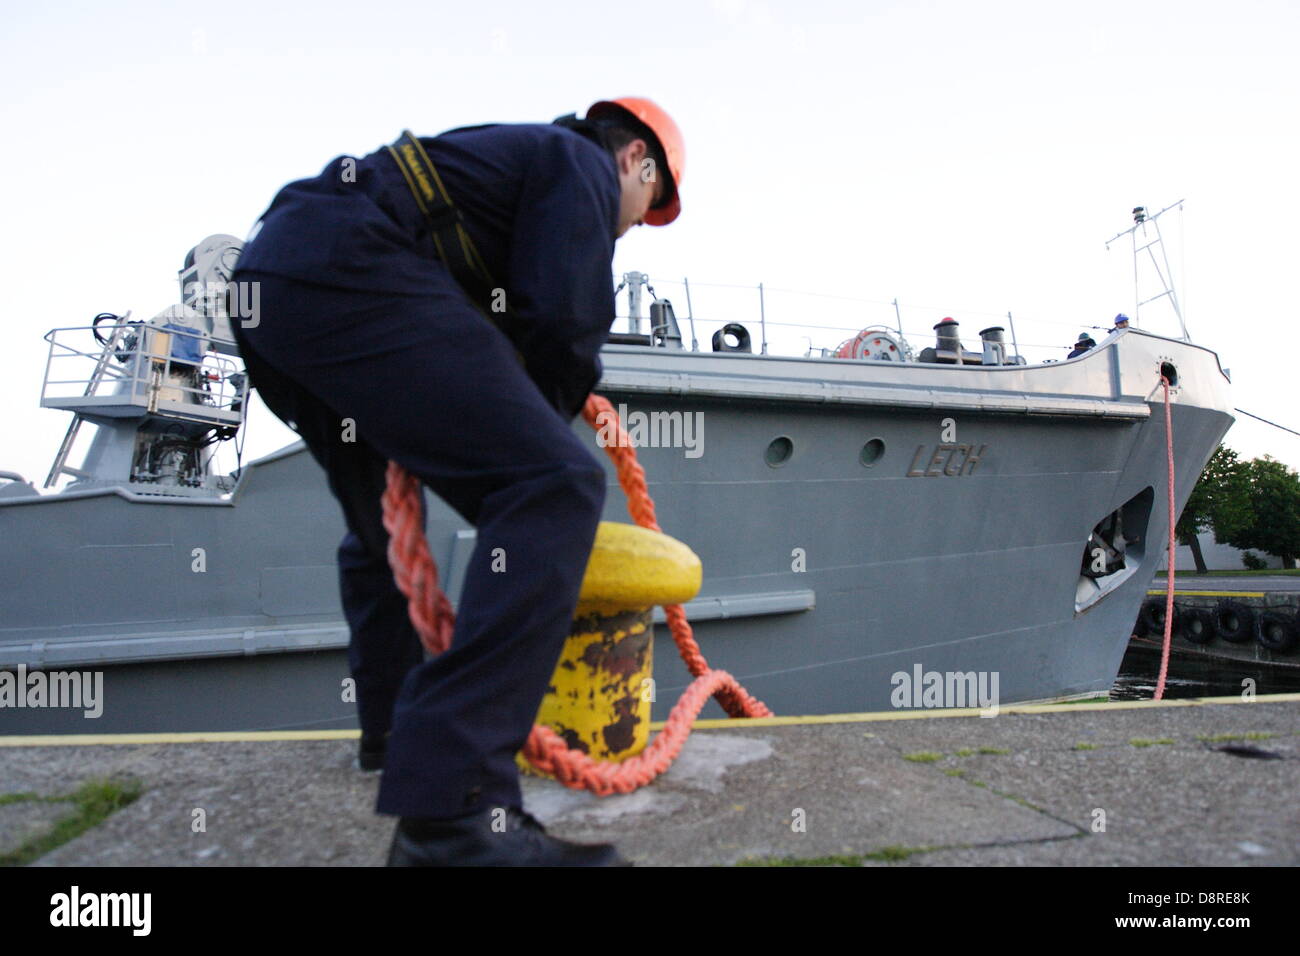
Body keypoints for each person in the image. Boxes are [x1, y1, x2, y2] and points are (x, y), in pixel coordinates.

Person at [227, 98, 684, 866]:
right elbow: (565, 321)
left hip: (276, 280)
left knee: (378, 531)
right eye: (646, 209)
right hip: (347, 262)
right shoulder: (577, 163)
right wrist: (542, 431)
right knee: (554, 487)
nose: (631, 224)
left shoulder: (501, 173)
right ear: (636, 159)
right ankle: (454, 814)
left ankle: (392, 742)